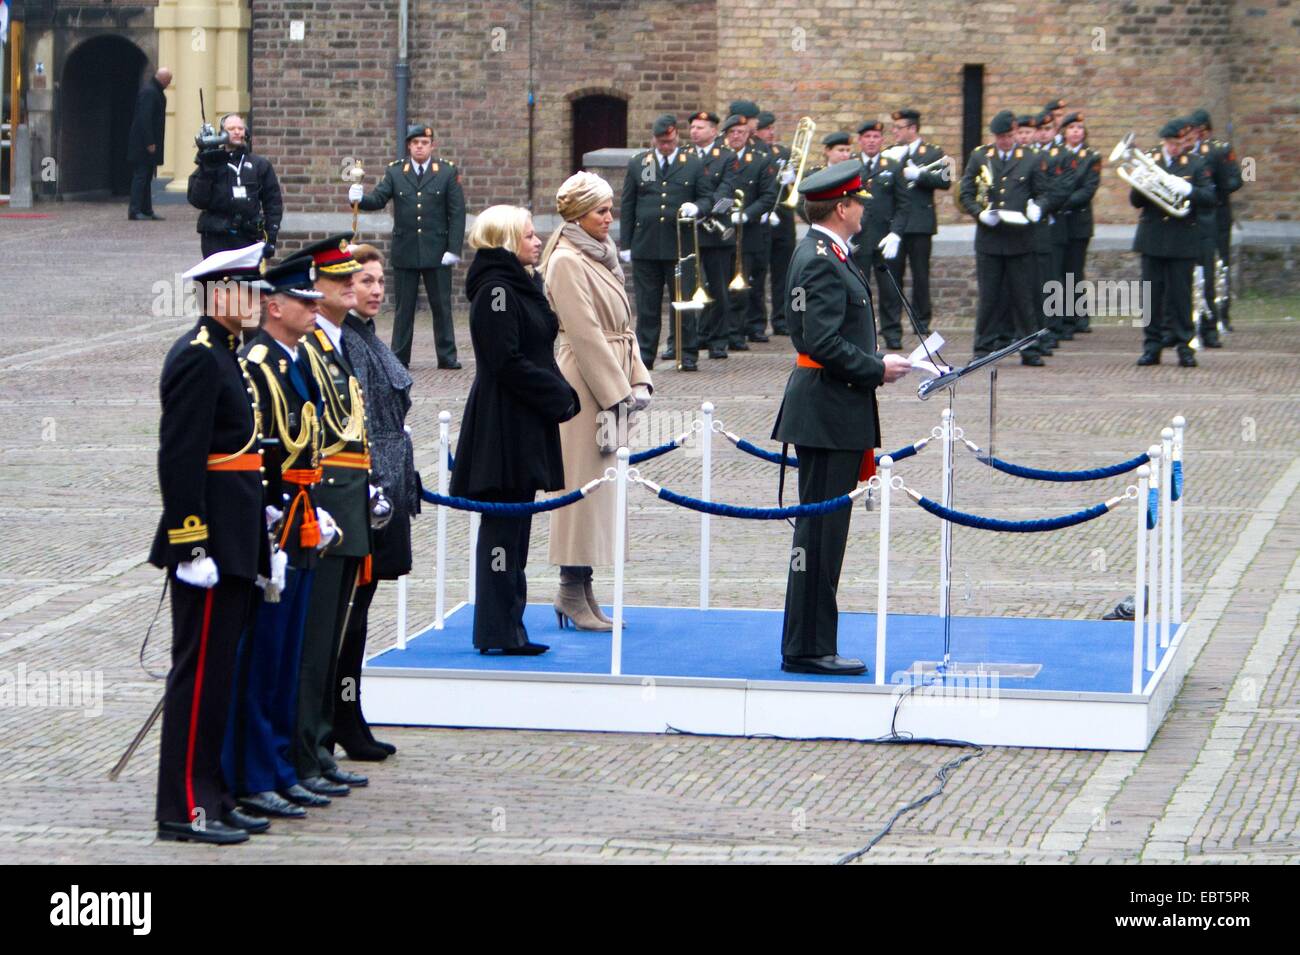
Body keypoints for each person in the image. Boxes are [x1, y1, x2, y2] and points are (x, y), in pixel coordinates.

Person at [150, 242, 270, 844]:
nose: (257, 302)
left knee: (219, 677)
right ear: (219, 294)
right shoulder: (198, 356)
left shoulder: (228, 353)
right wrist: (192, 547)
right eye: (247, 291)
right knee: (197, 678)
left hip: (235, 535)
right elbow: (180, 458)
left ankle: (214, 795)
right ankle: (183, 809)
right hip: (209, 544)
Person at [772, 162, 912, 676]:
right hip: (826, 411)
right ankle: (808, 647)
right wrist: (877, 368)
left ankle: (809, 641)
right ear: (841, 208)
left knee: (825, 535)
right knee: (819, 536)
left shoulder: (829, 254)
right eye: (857, 203)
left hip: (835, 409)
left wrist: (874, 361)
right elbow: (820, 340)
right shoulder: (818, 260)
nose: (863, 210)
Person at [223, 256, 333, 821]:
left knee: (288, 653)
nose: (315, 309)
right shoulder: (258, 364)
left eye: (315, 301)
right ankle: (255, 773)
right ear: (274, 307)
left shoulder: (295, 360)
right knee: (263, 656)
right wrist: (267, 523)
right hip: (276, 525)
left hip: (301, 520)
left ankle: (283, 767)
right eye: (304, 301)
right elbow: (258, 449)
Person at [451, 207, 580, 654]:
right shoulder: (497, 292)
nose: (537, 241)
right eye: (527, 236)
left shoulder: (519, 285)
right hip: (503, 424)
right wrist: (557, 393)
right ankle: (497, 629)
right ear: (507, 242)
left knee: (516, 527)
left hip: (523, 418)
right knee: (503, 529)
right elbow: (504, 360)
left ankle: (510, 625)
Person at [542, 172, 653, 630]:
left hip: (609, 375)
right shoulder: (566, 261)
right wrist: (618, 392)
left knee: (601, 487)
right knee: (581, 488)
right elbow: (585, 333)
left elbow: (623, 327)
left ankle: (582, 587)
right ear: (577, 216)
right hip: (584, 384)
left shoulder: (600, 255)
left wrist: (638, 377)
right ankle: (570, 588)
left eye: (609, 210)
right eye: (600, 211)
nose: (609, 218)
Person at [293, 235, 374, 799]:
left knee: (331, 640)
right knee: (314, 641)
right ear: (313, 289)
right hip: (322, 508)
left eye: (353, 275)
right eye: (338, 277)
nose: (351, 285)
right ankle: (304, 751)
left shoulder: (338, 341)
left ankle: (319, 747)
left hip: (347, 505)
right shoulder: (310, 346)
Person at [328, 244, 416, 758]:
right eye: (366, 281)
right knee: (347, 616)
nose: (377, 290)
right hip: (366, 489)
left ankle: (348, 714)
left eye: (381, 281)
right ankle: (338, 717)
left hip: (386, 482)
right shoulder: (345, 342)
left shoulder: (365, 336)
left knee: (358, 615)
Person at [350, 124, 466, 368]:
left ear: (432, 146)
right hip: (406, 249)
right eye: (415, 143)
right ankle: (400, 357)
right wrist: (358, 198)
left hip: (437, 251)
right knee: (404, 308)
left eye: (424, 143)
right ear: (409, 146)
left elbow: (457, 213)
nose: (419, 147)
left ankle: (447, 356)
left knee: (442, 307)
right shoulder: (395, 172)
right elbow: (378, 199)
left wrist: (453, 249)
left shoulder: (446, 171)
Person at [959, 110, 1051, 364]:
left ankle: (1030, 349)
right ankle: (983, 347)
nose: (1006, 141)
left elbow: (1044, 192)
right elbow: (966, 192)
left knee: (1023, 297)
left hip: (1020, 239)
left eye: (1010, 136)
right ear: (995, 136)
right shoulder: (981, 156)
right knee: (989, 297)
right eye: (1001, 137)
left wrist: (1038, 207)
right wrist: (979, 213)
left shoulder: (1030, 158)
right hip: (990, 239)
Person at [619, 113, 709, 371]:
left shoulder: (692, 164)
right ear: (654, 140)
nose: (666, 146)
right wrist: (626, 244)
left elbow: (707, 198)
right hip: (646, 245)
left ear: (676, 137)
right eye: (661, 142)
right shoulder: (640, 163)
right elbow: (628, 205)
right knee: (647, 306)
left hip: (680, 246)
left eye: (669, 141)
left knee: (684, 302)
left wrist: (697, 208)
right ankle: (645, 356)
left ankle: (687, 353)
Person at [1133, 119, 1216, 368]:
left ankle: (1184, 346)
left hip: (1182, 239)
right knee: (1151, 296)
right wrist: (1140, 181)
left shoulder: (1196, 164)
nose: (1176, 148)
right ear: (1164, 142)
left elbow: (1209, 197)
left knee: (1181, 296)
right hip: (1153, 238)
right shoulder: (1151, 161)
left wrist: (1188, 189)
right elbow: (1136, 202)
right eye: (1171, 143)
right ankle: (1152, 347)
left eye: (1180, 144)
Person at [878, 108, 950, 337]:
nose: (894, 132)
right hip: (895, 225)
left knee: (921, 275)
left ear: (912, 128)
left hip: (920, 223)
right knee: (892, 276)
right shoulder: (889, 153)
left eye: (898, 128)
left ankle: (921, 321)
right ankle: (891, 324)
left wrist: (919, 175)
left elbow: (946, 180)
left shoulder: (933, 152)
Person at [720, 113, 780, 350]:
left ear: (748, 135)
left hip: (747, 232)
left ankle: (736, 334)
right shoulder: (718, 157)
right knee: (717, 284)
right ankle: (716, 333)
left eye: (741, 132)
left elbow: (768, 196)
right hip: (719, 230)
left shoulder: (760, 161)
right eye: (732, 132)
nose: (736, 136)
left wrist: (747, 214)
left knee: (741, 286)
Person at [188, 114, 285, 259]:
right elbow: (197, 200)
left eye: (240, 128)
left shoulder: (259, 165)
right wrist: (207, 168)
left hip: (248, 236)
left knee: (248, 275)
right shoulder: (212, 163)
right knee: (218, 275)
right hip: (216, 237)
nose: (237, 132)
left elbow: (273, 203)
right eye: (231, 128)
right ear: (221, 133)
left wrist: (270, 238)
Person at [1187, 109, 1242, 332]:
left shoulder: (1222, 149)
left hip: (1218, 214)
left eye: (1201, 131)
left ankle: (1222, 314)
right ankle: (1198, 312)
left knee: (1221, 264)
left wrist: (1216, 188)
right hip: (1196, 216)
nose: (1198, 136)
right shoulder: (1187, 152)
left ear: (1207, 130)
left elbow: (1237, 179)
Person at [851, 120, 901, 348]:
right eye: (867, 137)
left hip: (885, 239)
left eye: (875, 137)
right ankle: (860, 333)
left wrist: (896, 233)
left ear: (882, 140)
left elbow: (903, 204)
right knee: (858, 289)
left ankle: (892, 332)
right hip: (858, 238)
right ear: (860, 140)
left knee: (890, 289)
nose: (871, 141)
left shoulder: (893, 166)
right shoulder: (851, 167)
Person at [1051, 112, 1101, 336]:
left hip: (1078, 220)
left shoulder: (1091, 157)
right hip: (1059, 219)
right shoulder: (1057, 153)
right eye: (1071, 128)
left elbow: (1088, 188)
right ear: (1064, 131)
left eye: (1079, 128)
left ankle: (1077, 316)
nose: (1075, 132)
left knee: (1074, 270)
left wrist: (1061, 200)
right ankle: (1060, 316)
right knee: (1058, 270)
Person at [756, 112, 796, 337]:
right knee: (759, 273)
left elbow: (797, 187)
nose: (771, 133)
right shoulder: (755, 154)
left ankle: (781, 319)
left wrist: (793, 178)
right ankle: (757, 322)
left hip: (783, 218)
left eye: (772, 128)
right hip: (761, 219)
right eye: (766, 129)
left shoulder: (783, 153)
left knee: (783, 273)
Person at [127, 67, 171, 221]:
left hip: (147, 144)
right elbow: (144, 118)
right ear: (163, 79)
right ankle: (135, 210)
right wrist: (150, 142)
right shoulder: (150, 92)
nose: (169, 84)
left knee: (146, 177)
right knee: (141, 177)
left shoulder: (153, 91)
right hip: (144, 144)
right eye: (169, 80)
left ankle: (146, 209)